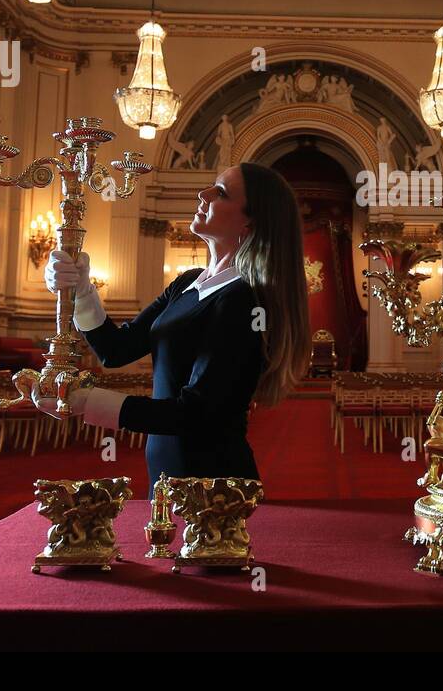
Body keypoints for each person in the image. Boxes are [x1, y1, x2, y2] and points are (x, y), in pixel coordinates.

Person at [38, 162, 310, 496]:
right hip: (167, 467)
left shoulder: (246, 299)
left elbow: (197, 414)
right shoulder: (186, 282)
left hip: (214, 479)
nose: (203, 194)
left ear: (251, 221)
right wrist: (81, 289)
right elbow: (115, 349)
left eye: (220, 193)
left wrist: (86, 402)